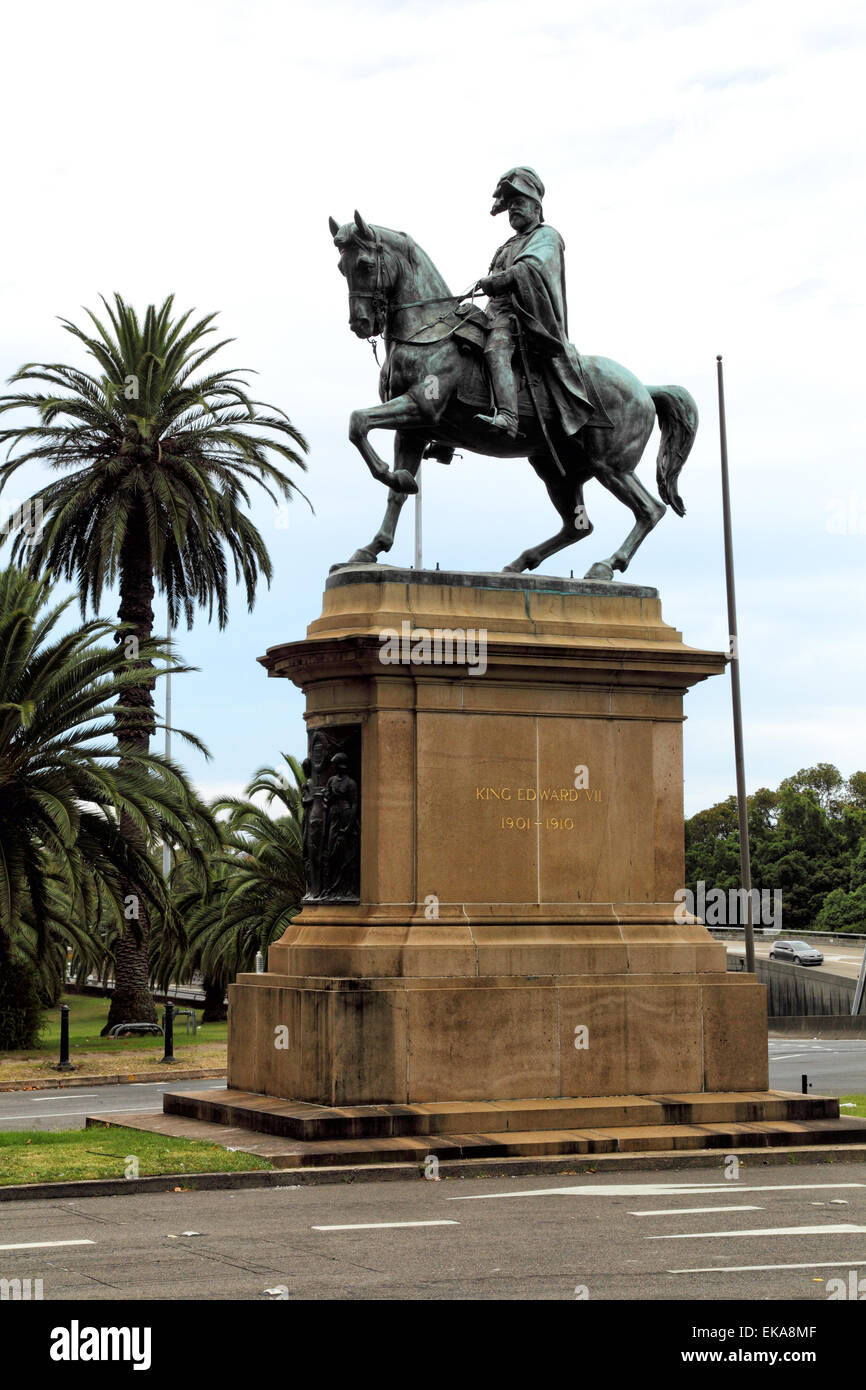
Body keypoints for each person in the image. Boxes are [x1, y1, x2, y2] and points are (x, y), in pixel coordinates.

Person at [474, 166, 605, 439]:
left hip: (522, 319)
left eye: (519, 204)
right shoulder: (508, 243)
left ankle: (509, 416)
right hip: (493, 313)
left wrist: (498, 281)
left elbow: (530, 269)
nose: (513, 210)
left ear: (536, 207)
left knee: (496, 348)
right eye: (510, 206)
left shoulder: (546, 236)